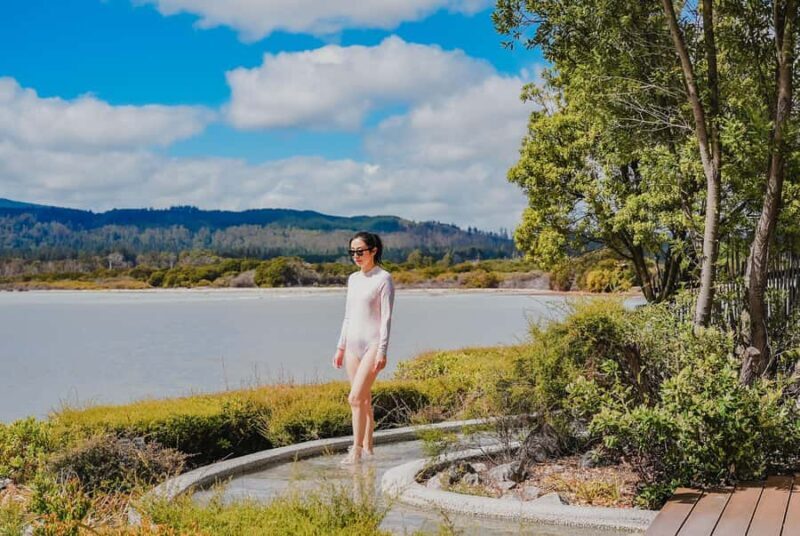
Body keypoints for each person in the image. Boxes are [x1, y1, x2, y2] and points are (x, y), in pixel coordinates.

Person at [332, 231, 395, 465]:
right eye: (352, 252)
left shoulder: (384, 278)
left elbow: (387, 318)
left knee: (355, 398)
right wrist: (340, 347)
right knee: (364, 400)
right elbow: (348, 316)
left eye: (360, 251)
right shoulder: (353, 279)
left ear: (373, 251)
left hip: (372, 345)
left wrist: (383, 351)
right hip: (351, 346)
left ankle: (355, 451)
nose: (356, 256)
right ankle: (368, 449)